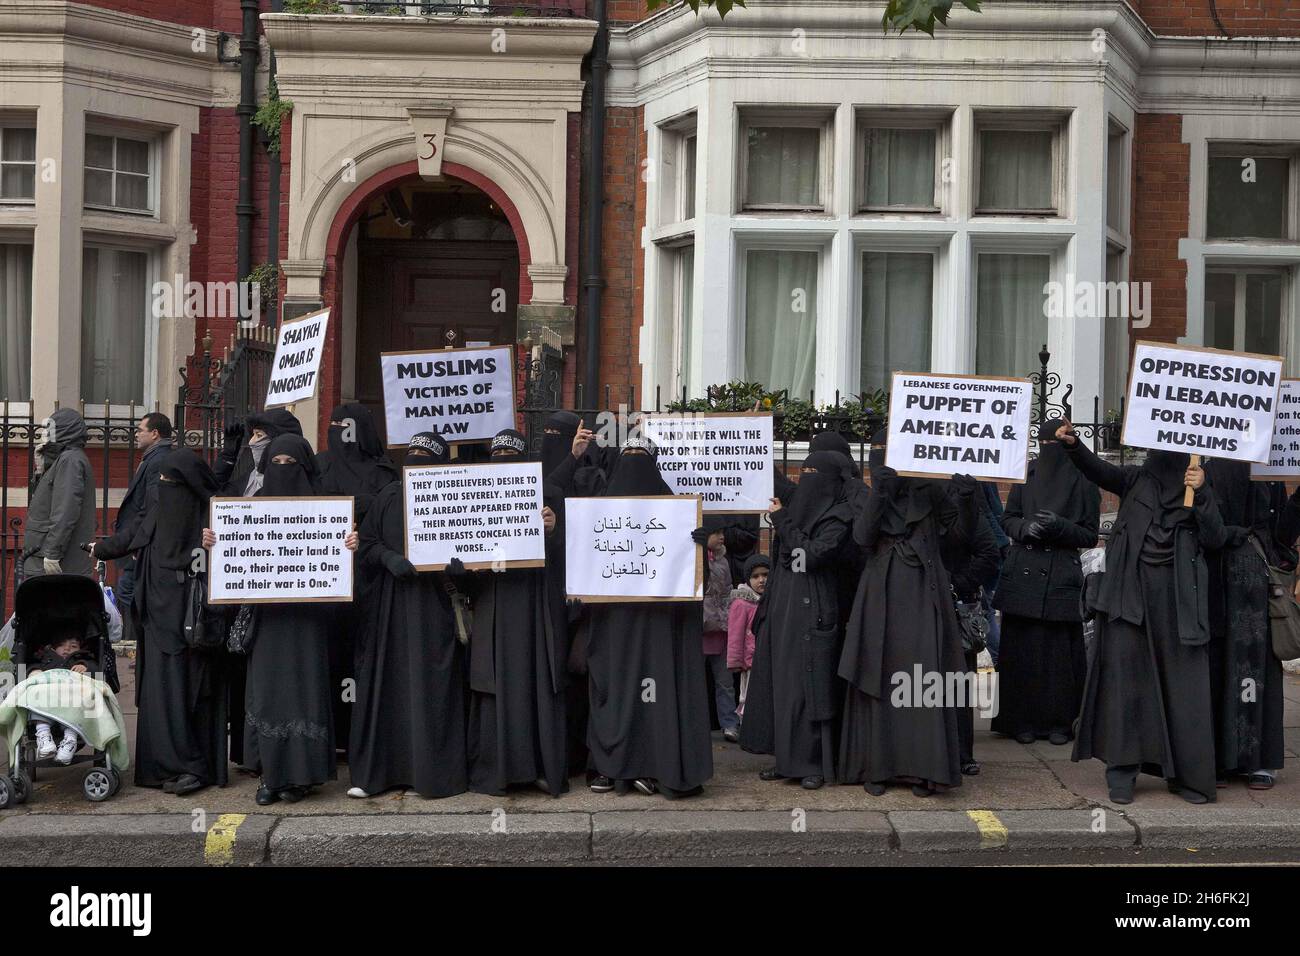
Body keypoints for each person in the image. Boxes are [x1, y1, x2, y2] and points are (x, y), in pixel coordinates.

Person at [1054, 421, 1225, 805]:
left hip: (1178, 603)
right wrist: (1074, 445)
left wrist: (1201, 494)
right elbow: (1100, 471)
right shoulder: (1135, 480)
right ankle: (1122, 771)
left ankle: (1187, 775)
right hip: (1128, 600)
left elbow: (1215, 537)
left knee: (1182, 690)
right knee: (1126, 687)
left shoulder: (1198, 486)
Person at [204, 434, 359, 805]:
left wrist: (351, 545)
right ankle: (271, 777)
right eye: (277, 463)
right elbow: (236, 555)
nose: (284, 470)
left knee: (304, 695)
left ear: (305, 466)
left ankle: (302, 778)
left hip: (308, 622)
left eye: (291, 464)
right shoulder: (255, 504)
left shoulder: (324, 508)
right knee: (269, 696)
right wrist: (214, 542)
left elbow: (339, 566)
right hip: (267, 621)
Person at [583, 438, 713, 798]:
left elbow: (696, 580)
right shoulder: (597, 513)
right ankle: (612, 767)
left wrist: (697, 547)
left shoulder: (676, 513)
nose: (634, 469)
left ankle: (657, 766)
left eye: (642, 460)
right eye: (629, 460)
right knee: (615, 692)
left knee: (657, 694)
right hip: (613, 622)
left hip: (660, 623)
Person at [838, 432, 965, 797]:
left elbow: (957, 534)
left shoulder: (928, 491)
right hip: (881, 592)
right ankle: (878, 767)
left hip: (923, 589)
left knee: (922, 676)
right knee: (879, 672)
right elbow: (863, 537)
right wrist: (880, 490)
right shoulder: (868, 492)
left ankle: (924, 768)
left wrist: (959, 494)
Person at [94, 449, 228, 795]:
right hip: (156, 617)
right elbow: (134, 535)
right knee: (160, 693)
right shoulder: (160, 505)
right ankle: (163, 765)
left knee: (186, 693)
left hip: (189, 623)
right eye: (161, 481)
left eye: (171, 482)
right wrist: (100, 549)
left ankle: (193, 766)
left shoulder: (212, 521)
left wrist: (214, 544)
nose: (164, 487)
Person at [348, 430, 468, 799]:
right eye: (411, 451)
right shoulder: (388, 496)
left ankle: (432, 775)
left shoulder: (456, 500)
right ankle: (379, 774)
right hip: (388, 610)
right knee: (388, 686)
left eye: (424, 454)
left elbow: (477, 541)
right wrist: (389, 558)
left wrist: (463, 567)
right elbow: (366, 544)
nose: (415, 458)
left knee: (431, 689)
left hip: (433, 609)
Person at [455, 429, 569, 796]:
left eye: (510, 451)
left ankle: (536, 766)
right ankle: (496, 770)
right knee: (492, 684)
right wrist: (458, 570)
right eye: (497, 450)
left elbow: (573, 556)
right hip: (491, 601)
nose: (503, 456)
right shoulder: (472, 496)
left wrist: (552, 532)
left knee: (532, 682)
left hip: (533, 607)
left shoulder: (547, 495)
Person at [742, 450, 854, 790]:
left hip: (813, 607)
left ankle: (813, 764)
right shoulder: (801, 506)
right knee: (783, 682)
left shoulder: (838, 516)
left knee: (810, 687)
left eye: (813, 472)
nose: (807, 478)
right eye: (803, 470)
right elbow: (773, 478)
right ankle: (786, 759)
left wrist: (782, 521)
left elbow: (813, 554)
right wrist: (755, 440)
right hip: (784, 606)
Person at [991, 419, 1100, 746]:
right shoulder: (1028, 474)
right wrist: (1025, 529)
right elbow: (1007, 519)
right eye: (1044, 444)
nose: (1047, 451)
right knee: (1021, 652)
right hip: (1024, 567)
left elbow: (1090, 534)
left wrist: (1061, 528)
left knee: (1058, 657)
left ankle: (1061, 722)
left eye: (1054, 444)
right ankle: (1019, 720)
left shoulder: (1084, 478)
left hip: (1060, 571)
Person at [212, 407, 304, 769]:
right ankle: (252, 751)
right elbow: (218, 497)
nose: (255, 442)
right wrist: (229, 451)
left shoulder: (293, 479)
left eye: (260, 435)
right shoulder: (249, 476)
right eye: (252, 436)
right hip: (246, 597)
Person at [314, 403, 397, 760]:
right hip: (322, 582)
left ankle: (362, 733)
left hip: (367, 580)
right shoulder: (319, 465)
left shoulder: (382, 471)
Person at [1202, 459, 1290, 791]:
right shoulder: (1209, 469)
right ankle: (1236, 759)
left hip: (1249, 586)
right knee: (1229, 668)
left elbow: (1283, 530)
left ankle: (1249, 759)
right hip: (1224, 583)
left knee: (1250, 671)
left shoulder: (1268, 474)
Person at [942, 474, 1002, 776]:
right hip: (929, 602)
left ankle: (962, 752)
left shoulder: (967, 505)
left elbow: (989, 553)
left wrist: (958, 583)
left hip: (956, 605)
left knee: (958, 683)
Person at [113, 412, 175, 644]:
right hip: (138, 542)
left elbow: (152, 504)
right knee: (129, 591)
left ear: (155, 433)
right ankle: (143, 644)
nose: (137, 434)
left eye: (141, 430)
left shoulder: (158, 460)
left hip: (141, 543)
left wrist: (140, 541)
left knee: (129, 591)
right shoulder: (153, 457)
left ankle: (144, 644)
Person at [22, 408, 96, 580]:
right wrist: (42, 469)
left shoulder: (70, 460)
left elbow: (65, 510)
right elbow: (45, 500)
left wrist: (53, 552)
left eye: (52, 429)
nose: (47, 434)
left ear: (65, 430)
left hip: (54, 561)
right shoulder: (65, 458)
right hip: (44, 555)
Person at [30, 633, 100, 765]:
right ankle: (43, 735)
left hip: (72, 705)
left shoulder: (81, 660)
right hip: (47, 703)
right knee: (35, 695)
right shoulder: (45, 659)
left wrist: (86, 667)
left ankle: (70, 740)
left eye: (73, 646)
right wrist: (33, 671)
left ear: (80, 648)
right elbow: (31, 665)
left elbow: (97, 670)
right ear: (53, 648)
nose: (67, 649)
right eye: (61, 645)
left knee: (81, 700)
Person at [701, 523, 739, 742]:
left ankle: (730, 724)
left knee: (724, 682)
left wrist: (727, 619)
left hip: (721, 630)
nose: (721, 536)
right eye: (717, 532)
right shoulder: (696, 558)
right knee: (696, 682)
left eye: (723, 532)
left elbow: (727, 592)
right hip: (700, 629)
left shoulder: (723, 560)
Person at [726, 553, 770, 729]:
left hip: (766, 659)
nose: (761, 580)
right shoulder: (742, 603)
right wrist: (735, 661)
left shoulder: (770, 600)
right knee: (747, 696)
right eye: (756, 576)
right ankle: (748, 727)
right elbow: (735, 636)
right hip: (750, 661)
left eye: (765, 575)